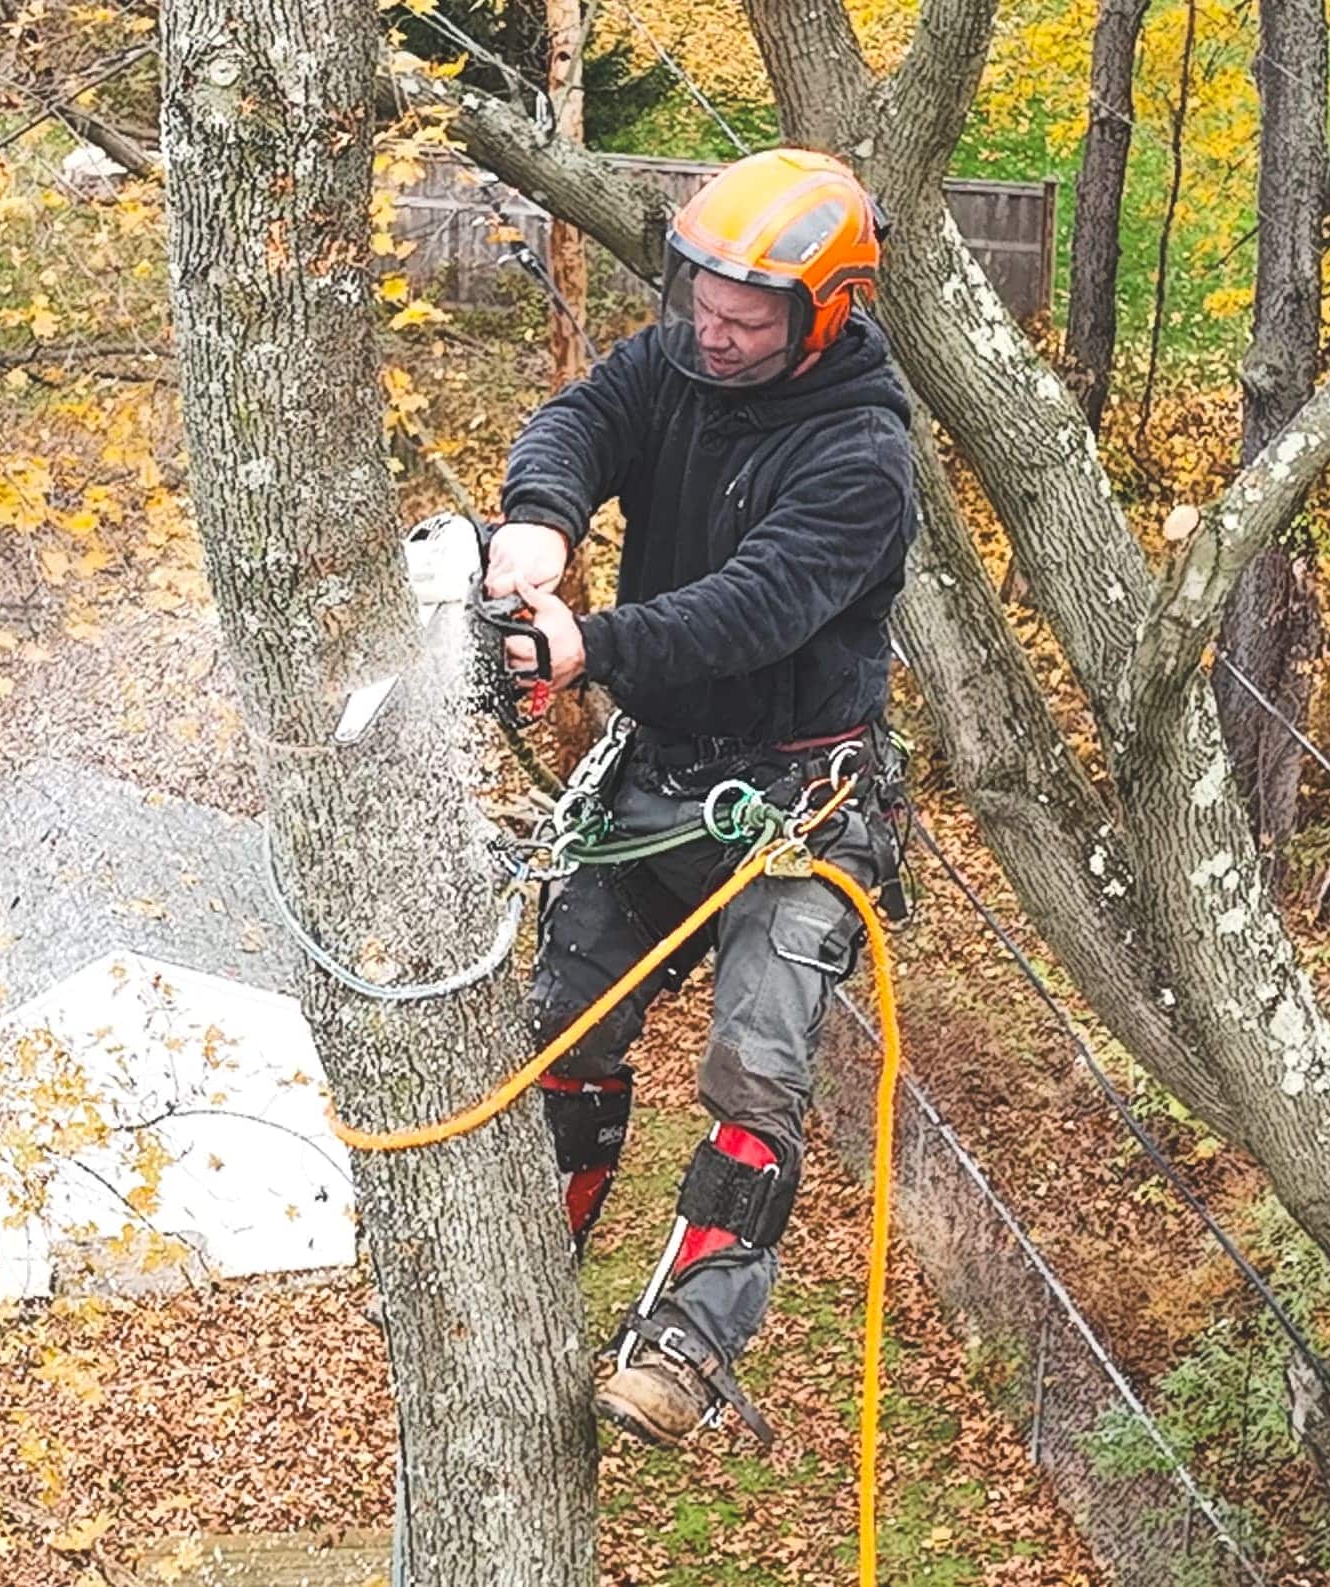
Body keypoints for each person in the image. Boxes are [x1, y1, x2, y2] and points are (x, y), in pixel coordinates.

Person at [481, 146, 916, 1448]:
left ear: (823, 312)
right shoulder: (679, 353)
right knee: (564, 1026)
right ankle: (523, 1269)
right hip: (658, 775)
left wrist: (588, 646)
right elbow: (583, 419)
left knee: (756, 1074)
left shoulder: (860, 456)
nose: (711, 335)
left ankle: (684, 1347)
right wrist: (542, 522)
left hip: (797, 808)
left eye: (745, 318)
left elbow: (755, 608)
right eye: (700, 304)